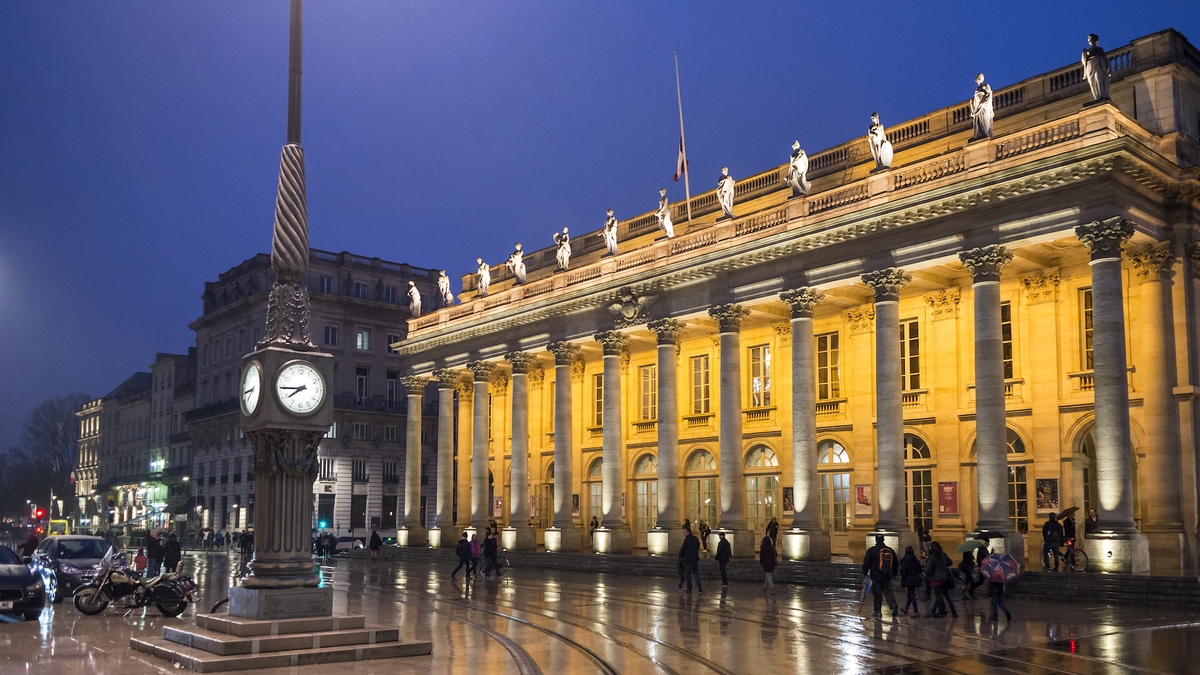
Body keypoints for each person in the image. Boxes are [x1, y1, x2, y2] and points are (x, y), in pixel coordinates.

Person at [862, 534, 900, 619]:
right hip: (887, 575)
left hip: (875, 575)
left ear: (876, 540)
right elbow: (895, 563)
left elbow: (866, 563)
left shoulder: (871, 550)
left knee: (877, 593)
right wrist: (894, 574)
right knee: (888, 591)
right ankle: (893, 605)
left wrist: (865, 574)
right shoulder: (890, 550)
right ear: (884, 540)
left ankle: (878, 611)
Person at [923, 541, 957, 618]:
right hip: (944, 578)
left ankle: (941, 612)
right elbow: (950, 563)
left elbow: (929, 569)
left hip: (936, 579)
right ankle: (951, 612)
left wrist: (929, 574)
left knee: (939, 597)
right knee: (946, 595)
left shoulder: (932, 557)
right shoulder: (943, 555)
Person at [899, 546, 923, 617]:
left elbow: (903, 572)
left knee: (912, 595)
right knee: (910, 593)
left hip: (908, 579)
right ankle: (906, 608)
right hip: (915, 578)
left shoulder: (905, 560)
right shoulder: (915, 560)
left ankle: (916, 612)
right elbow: (920, 570)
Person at [678, 526, 702, 594]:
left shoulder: (687, 539)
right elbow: (698, 546)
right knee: (696, 573)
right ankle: (699, 587)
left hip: (688, 559)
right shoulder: (695, 538)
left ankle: (689, 589)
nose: (684, 533)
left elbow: (683, 549)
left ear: (688, 532)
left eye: (685, 531)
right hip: (695, 559)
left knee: (688, 575)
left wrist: (681, 557)